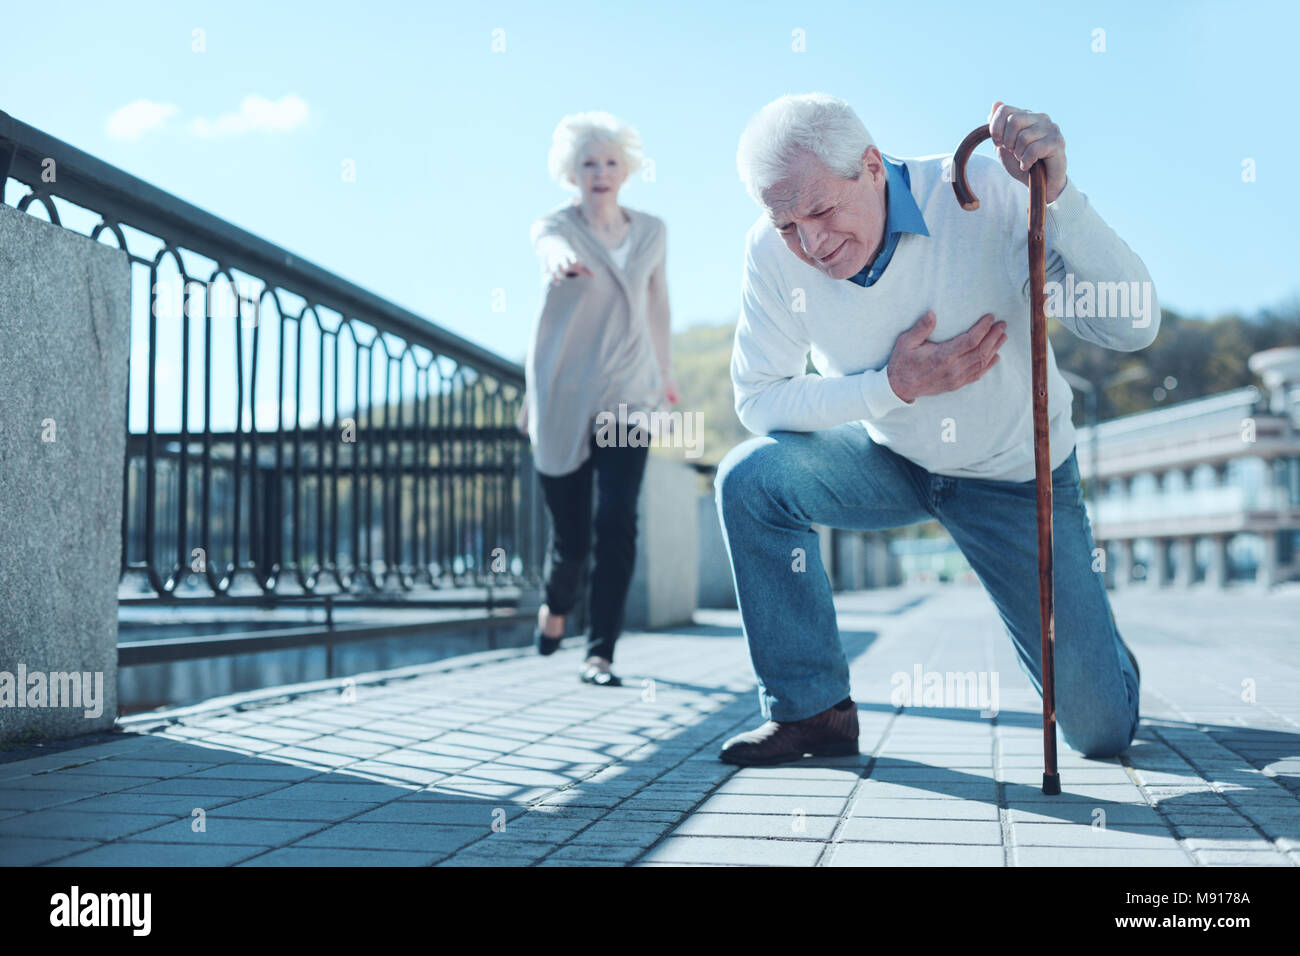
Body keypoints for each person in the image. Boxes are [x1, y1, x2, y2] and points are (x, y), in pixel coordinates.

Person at [715, 93, 1155, 764]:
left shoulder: (985, 191)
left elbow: (1132, 326)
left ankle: (1095, 650)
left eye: (822, 211)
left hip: (1015, 476)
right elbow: (759, 400)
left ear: (870, 165)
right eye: (786, 224)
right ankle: (813, 713)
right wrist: (891, 387)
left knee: (1101, 731)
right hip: (891, 462)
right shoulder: (771, 257)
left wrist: (1058, 193)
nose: (811, 244)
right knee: (751, 479)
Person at [517, 111, 679, 687]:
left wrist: (667, 375)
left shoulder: (653, 231)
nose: (600, 172)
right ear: (571, 171)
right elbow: (549, 245)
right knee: (572, 540)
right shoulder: (553, 225)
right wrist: (557, 260)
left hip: (629, 395)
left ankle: (600, 652)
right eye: (588, 162)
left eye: (611, 162)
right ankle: (556, 606)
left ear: (627, 169)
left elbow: (658, 308)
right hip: (563, 391)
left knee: (616, 520)